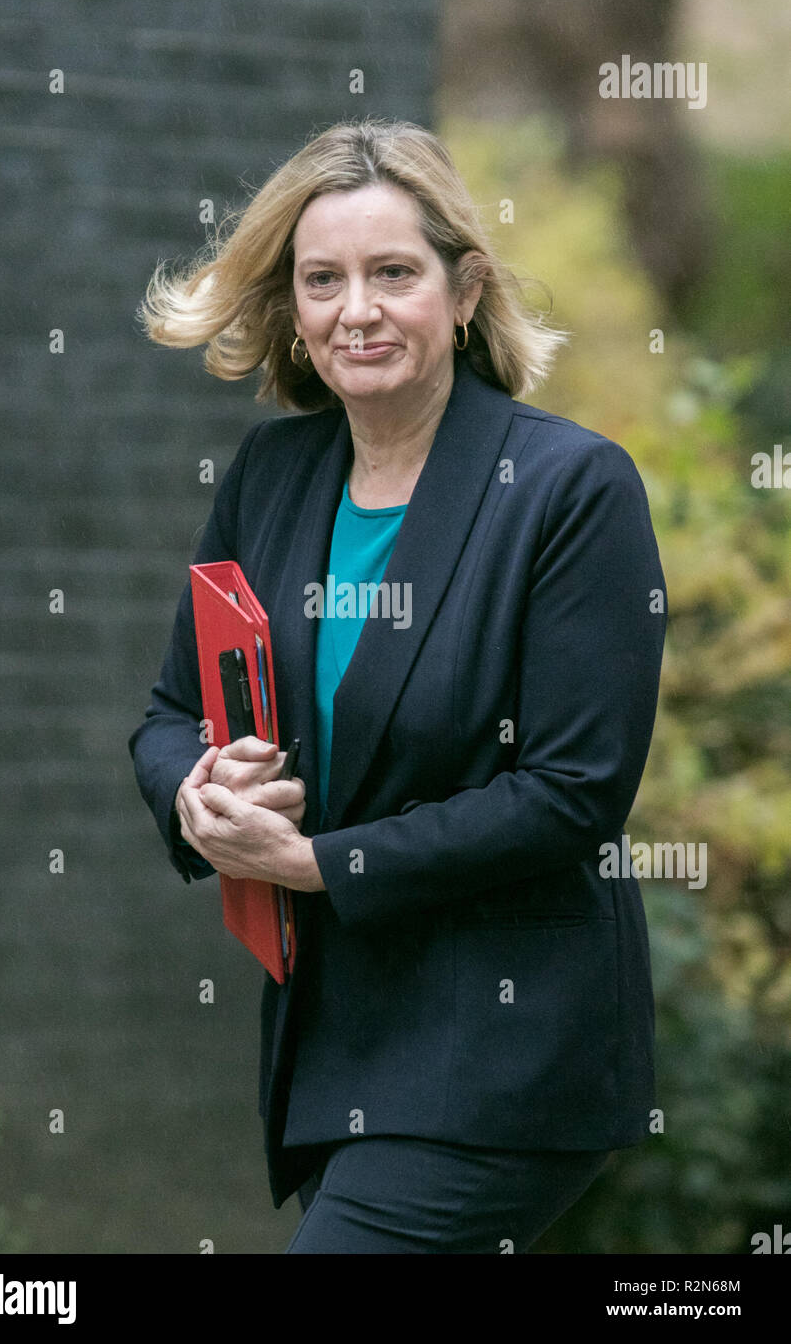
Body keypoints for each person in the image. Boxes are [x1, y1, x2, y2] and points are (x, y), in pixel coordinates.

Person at [127, 117, 667, 1254]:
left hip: (500, 1052)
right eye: (322, 279)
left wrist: (318, 862)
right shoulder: (274, 475)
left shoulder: (568, 488)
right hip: (329, 1041)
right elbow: (171, 712)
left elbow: (572, 791)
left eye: (391, 273)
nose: (353, 309)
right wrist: (197, 797)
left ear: (464, 290)